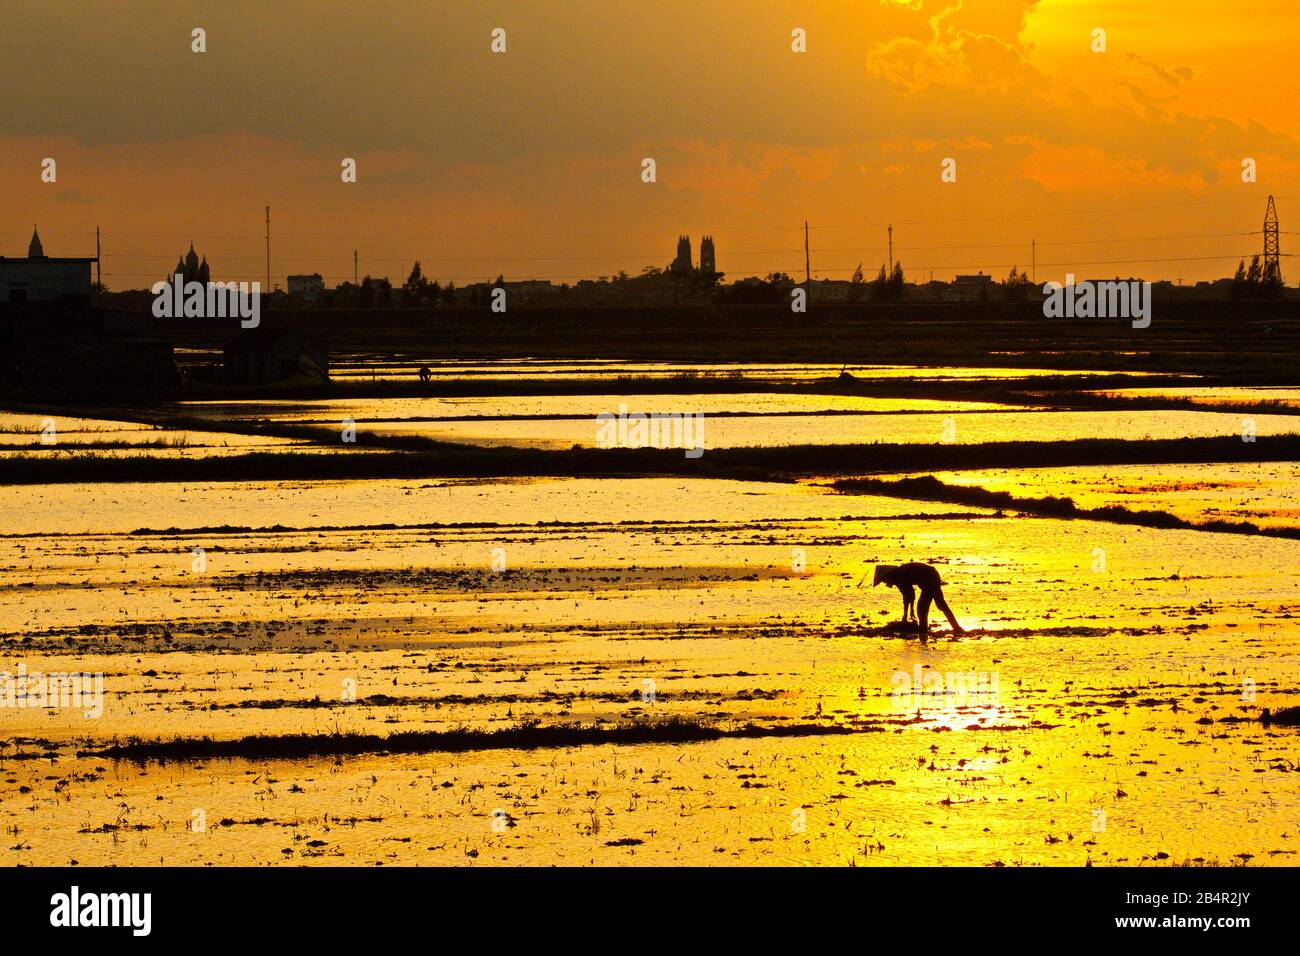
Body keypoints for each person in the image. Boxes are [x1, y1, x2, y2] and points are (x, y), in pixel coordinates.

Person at [869, 562, 966, 635]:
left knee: (922, 608)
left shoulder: (898, 576)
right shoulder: (898, 574)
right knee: (941, 604)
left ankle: (923, 630)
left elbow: (908, 595)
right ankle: (956, 627)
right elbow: (909, 595)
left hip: (929, 578)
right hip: (933, 574)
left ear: (888, 576)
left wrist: (907, 614)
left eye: (884, 580)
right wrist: (909, 613)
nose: (885, 582)